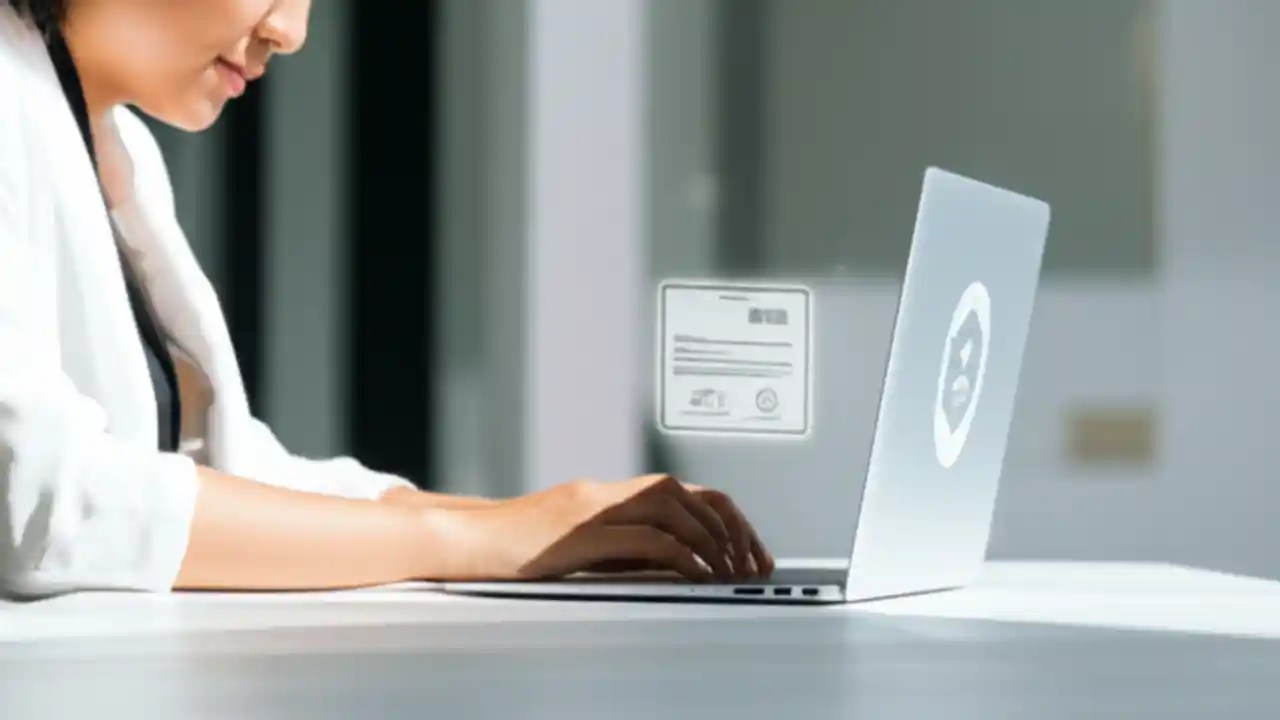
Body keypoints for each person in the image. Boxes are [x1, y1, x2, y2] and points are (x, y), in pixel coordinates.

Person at [0, 0, 773, 597]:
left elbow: (222, 471)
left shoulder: (119, 145)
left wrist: (548, 521)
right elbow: (41, 504)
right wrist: (472, 543)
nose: (292, 29)